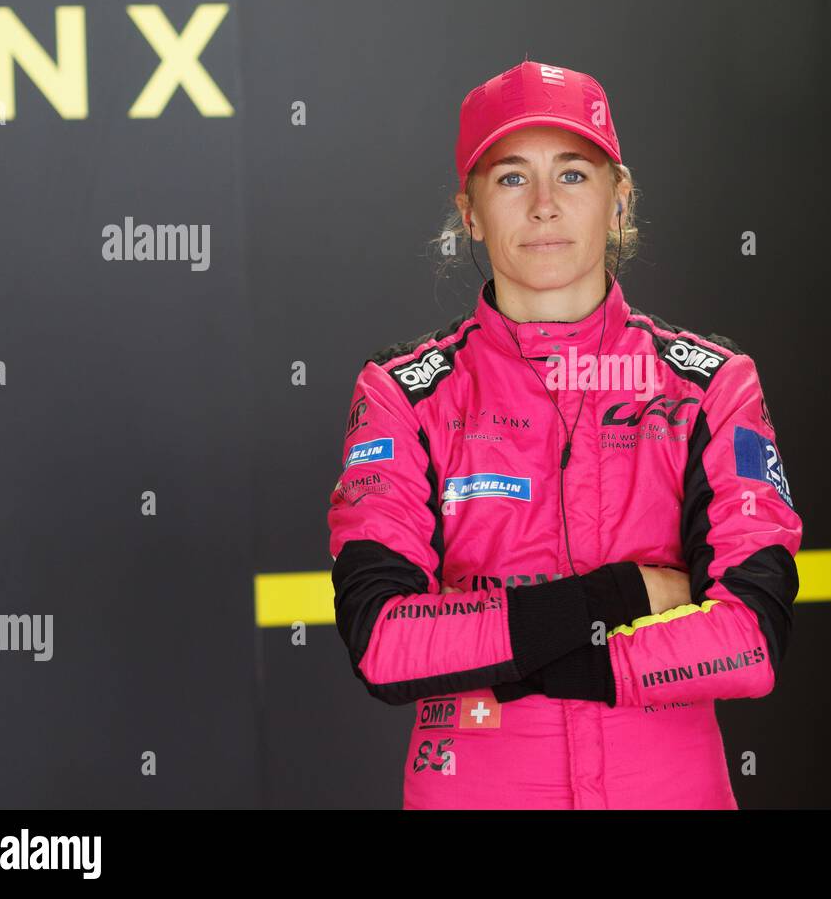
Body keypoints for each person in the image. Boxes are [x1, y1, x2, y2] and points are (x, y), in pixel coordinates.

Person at [327, 59, 802, 809]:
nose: (545, 205)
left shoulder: (712, 384)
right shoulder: (402, 395)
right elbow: (385, 644)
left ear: (620, 199)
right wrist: (623, 594)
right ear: (471, 212)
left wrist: (524, 657)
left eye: (574, 174)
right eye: (512, 178)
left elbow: (750, 640)